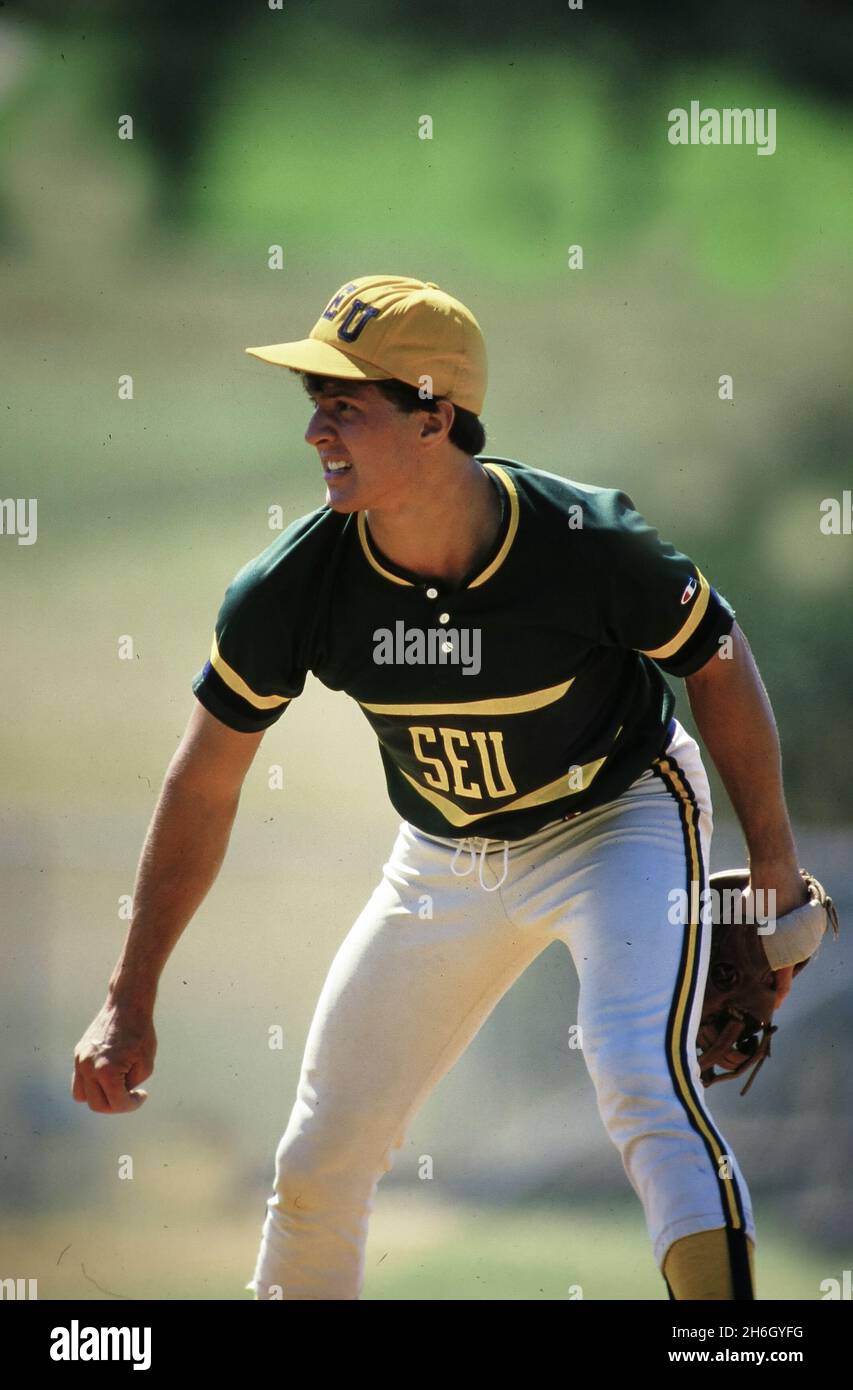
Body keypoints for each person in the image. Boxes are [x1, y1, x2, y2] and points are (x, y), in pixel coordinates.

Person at [72, 274, 806, 1301]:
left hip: (615, 821)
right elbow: (202, 784)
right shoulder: (293, 590)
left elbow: (715, 656)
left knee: (640, 1075)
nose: (316, 431)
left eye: (346, 405)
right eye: (314, 404)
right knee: (322, 1150)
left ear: (436, 417)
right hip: (443, 857)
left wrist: (772, 862)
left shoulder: (580, 541)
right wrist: (129, 996)